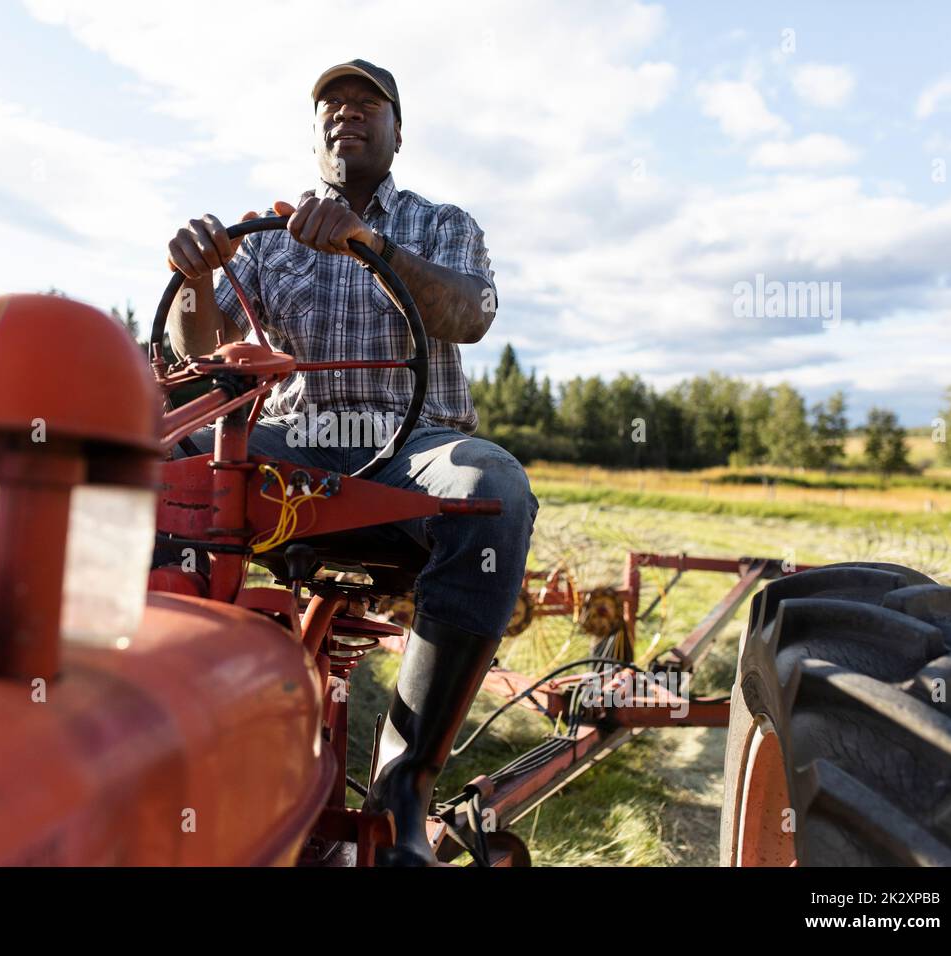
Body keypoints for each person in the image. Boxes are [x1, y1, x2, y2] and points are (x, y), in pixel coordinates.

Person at [163, 59, 539, 866]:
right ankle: (161, 725)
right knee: (159, 455)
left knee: (495, 489)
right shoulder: (272, 240)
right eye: (331, 106)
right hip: (296, 447)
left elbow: (468, 313)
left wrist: (372, 245)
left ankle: (405, 785)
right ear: (317, 134)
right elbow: (199, 355)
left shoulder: (443, 224)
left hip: (413, 446)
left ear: (399, 132)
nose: (346, 114)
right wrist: (195, 279)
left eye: (367, 104)